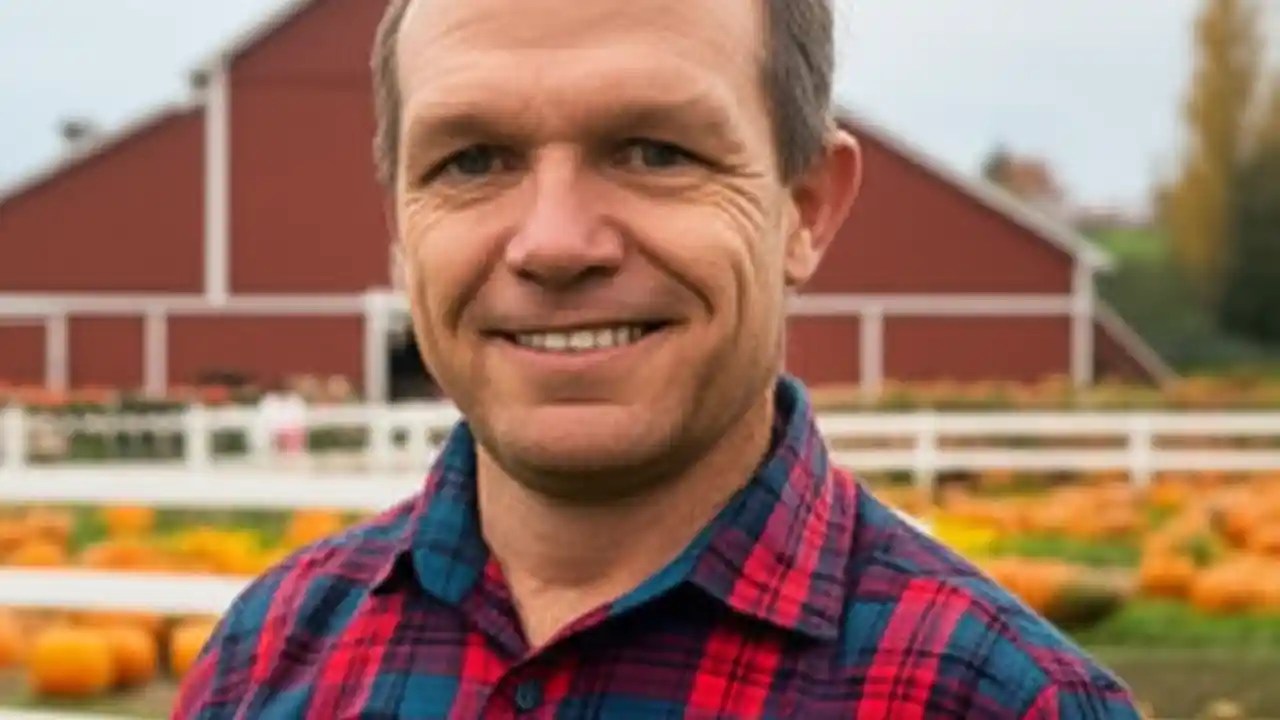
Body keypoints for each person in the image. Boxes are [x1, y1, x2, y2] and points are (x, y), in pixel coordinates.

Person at [174, 0, 1143, 717]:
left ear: (804, 208)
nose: (552, 243)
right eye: (471, 161)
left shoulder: (999, 701)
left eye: (652, 151)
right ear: (399, 226)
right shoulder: (266, 660)